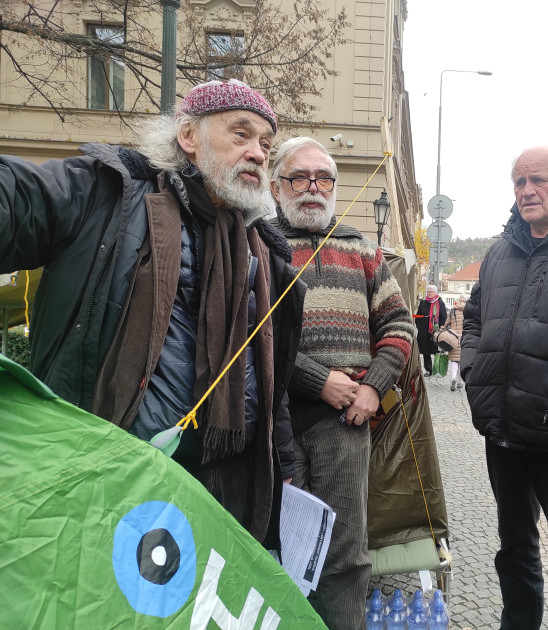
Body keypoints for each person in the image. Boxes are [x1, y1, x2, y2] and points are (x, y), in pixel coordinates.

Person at [0, 79, 304, 547]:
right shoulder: (109, 194)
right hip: (104, 480)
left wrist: (282, 464)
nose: (260, 154)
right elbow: (20, 199)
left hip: (218, 493)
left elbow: (268, 384)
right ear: (188, 137)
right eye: (240, 134)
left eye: (266, 143)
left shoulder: (266, 255)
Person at [269, 136, 414, 630]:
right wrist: (316, 379)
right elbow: (246, 335)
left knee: (346, 557)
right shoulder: (256, 242)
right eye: (299, 177)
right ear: (276, 187)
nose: (313, 187)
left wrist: (372, 387)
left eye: (323, 178)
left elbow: (400, 326)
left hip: (346, 425)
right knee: (279, 552)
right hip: (272, 422)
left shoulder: (361, 248)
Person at [460, 145, 548, 630]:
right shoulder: (500, 251)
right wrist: (472, 369)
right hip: (502, 429)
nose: (526, 191)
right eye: (519, 182)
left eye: (538, 180)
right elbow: (474, 318)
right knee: (514, 548)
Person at [415, 284, 447, 376]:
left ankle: (437, 368)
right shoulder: (423, 303)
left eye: (431, 292)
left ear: (435, 292)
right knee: (426, 351)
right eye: (428, 292)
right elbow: (418, 315)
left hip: (435, 331)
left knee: (436, 350)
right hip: (424, 331)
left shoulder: (440, 303)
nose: (429, 293)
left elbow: (443, 317)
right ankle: (429, 370)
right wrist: (419, 325)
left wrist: (441, 327)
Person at [443, 293, 467, 391]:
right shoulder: (468, 311)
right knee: (462, 360)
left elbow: (446, 323)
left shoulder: (453, 310)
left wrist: (444, 327)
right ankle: (460, 381)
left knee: (454, 359)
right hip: (465, 338)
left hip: (453, 337)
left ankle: (453, 377)